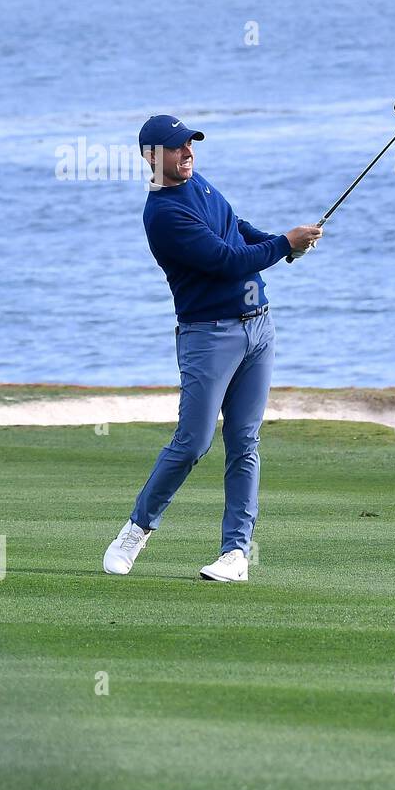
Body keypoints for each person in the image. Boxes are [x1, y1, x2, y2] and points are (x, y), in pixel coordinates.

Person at [103, 114, 322, 582]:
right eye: (177, 147)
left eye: (190, 145)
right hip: (209, 336)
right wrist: (285, 242)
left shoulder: (198, 184)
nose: (188, 153)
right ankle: (136, 530)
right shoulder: (162, 215)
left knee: (245, 441)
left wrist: (279, 245)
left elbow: (234, 227)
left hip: (259, 329)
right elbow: (224, 262)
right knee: (193, 442)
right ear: (150, 156)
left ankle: (235, 554)